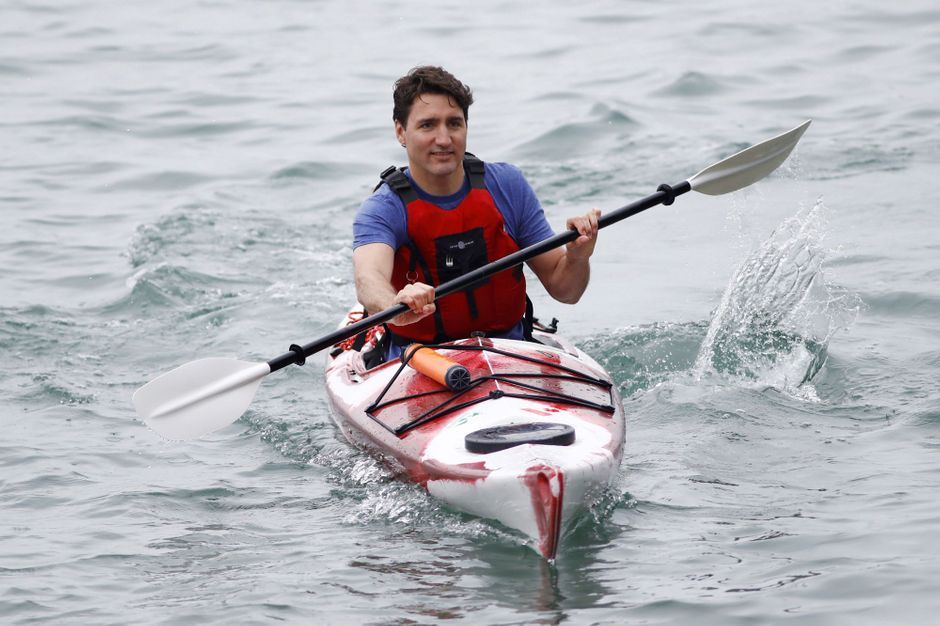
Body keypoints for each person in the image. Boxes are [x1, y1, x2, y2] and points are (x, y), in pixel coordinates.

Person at [353, 65, 600, 359]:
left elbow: (567, 292)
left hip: (510, 350)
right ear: (400, 132)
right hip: (420, 359)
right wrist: (395, 304)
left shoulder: (508, 186)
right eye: (427, 125)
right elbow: (368, 280)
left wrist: (577, 256)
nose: (444, 139)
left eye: (454, 124)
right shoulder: (383, 208)